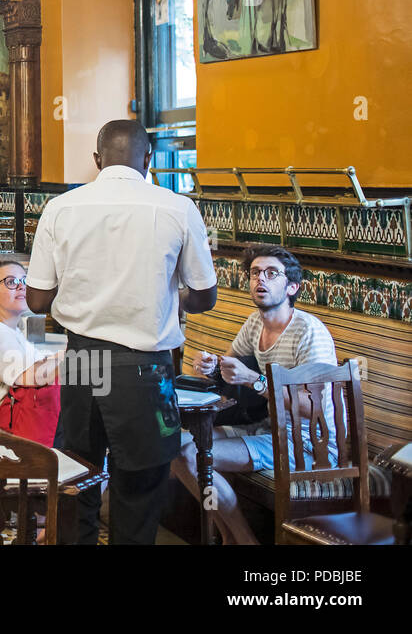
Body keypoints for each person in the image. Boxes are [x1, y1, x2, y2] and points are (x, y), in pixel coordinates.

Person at [25, 119, 218, 544]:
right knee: (140, 490)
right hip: (145, 368)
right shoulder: (177, 208)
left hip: (81, 360)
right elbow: (205, 297)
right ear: (148, 158)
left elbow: (37, 301)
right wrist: (170, 300)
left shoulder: (60, 208)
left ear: (97, 160)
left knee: (77, 479)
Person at [171, 245, 337, 544]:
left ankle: (243, 540)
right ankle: (230, 535)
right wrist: (211, 366)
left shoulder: (308, 332)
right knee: (173, 444)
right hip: (268, 429)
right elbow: (227, 368)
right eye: (255, 273)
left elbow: (311, 408)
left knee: (191, 455)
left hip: (310, 443)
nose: (261, 279)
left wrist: (255, 380)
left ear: (292, 287)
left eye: (272, 274)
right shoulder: (255, 323)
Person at [0, 259, 61, 435]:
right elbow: (31, 377)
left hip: (16, 427)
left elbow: (38, 362)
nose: (21, 287)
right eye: (11, 282)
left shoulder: (11, 331)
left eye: (24, 281)